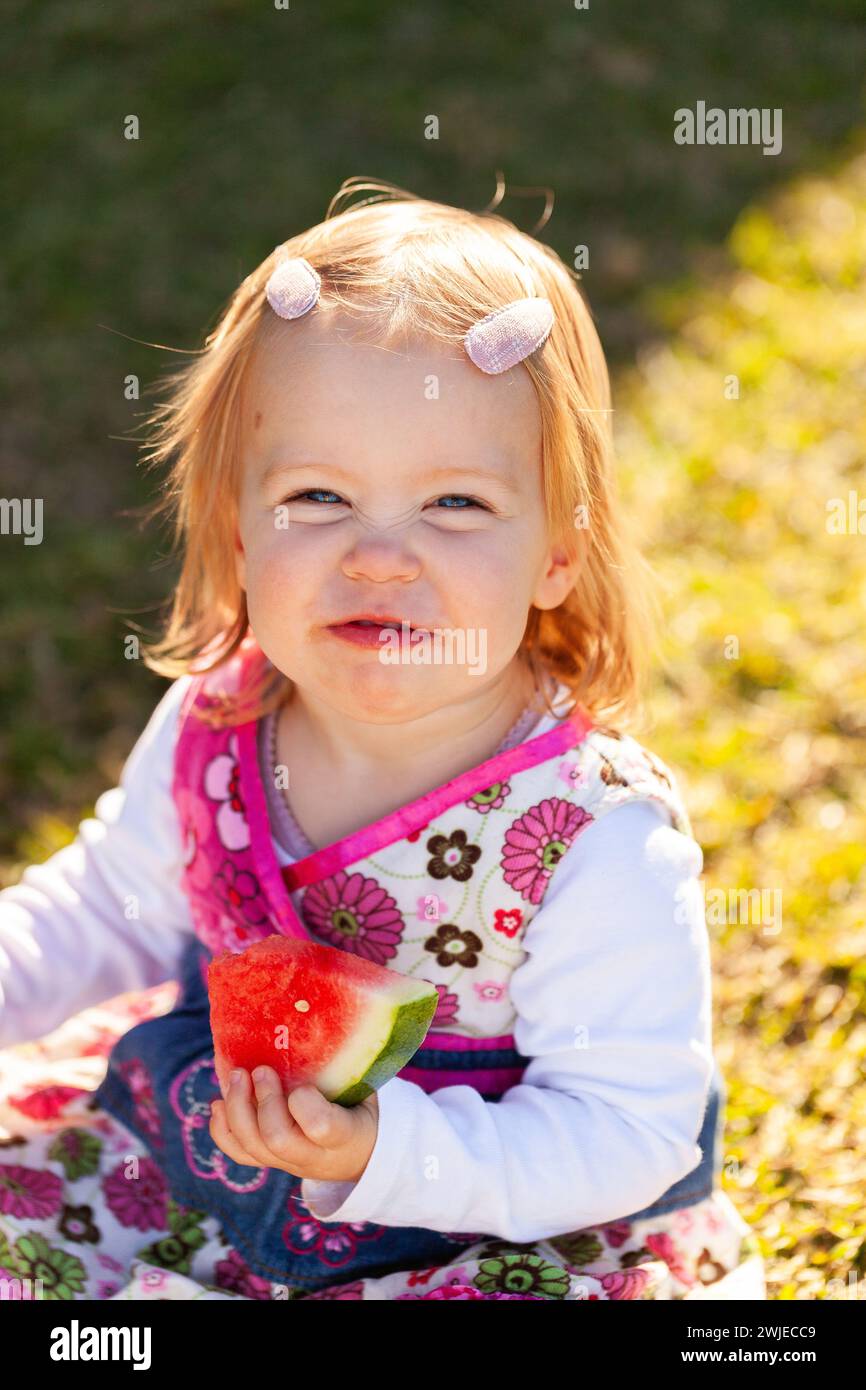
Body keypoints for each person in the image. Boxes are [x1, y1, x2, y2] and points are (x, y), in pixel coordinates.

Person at [0, 179, 765, 1301]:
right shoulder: (217, 723)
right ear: (236, 531)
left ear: (557, 550)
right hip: (196, 1169)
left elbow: (624, 1128)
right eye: (316, 496)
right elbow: (107, 906)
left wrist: (378, 1152)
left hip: (488, 1234)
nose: (379, 555)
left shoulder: (594, 838)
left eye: (453, 504)